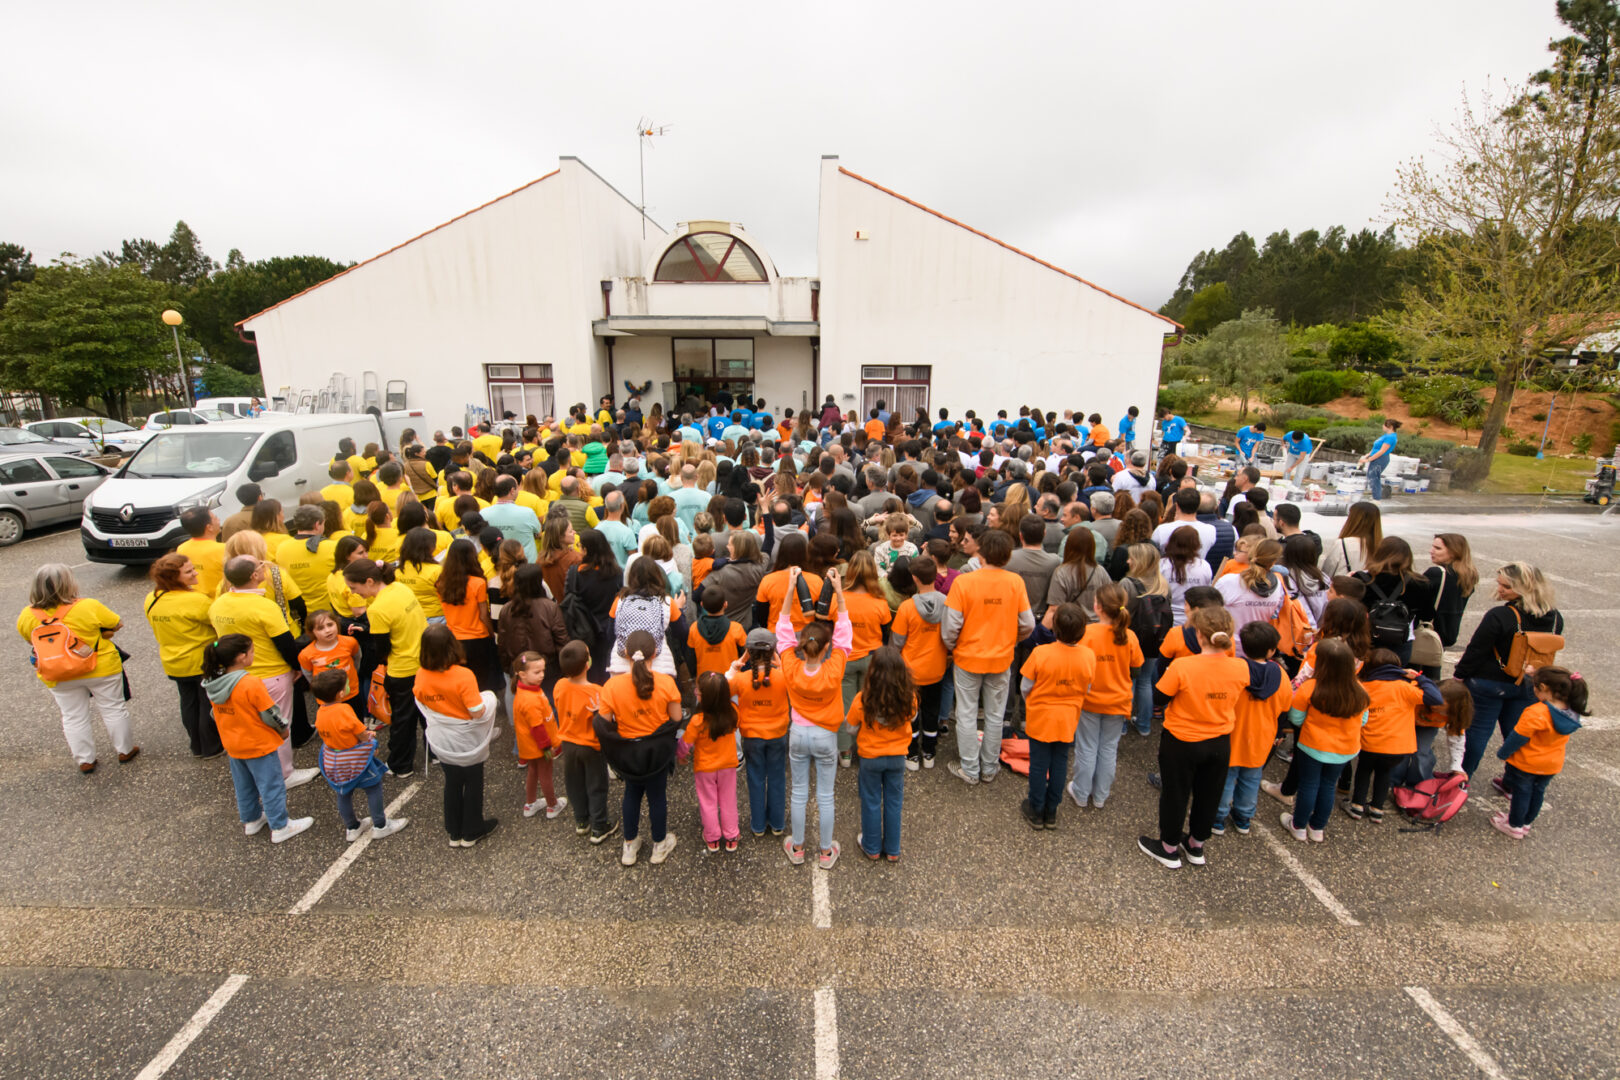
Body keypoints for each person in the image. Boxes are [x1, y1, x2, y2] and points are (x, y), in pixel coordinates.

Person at [1141, 606, 1248, 869]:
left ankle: (1168, 847)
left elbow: (1158, 697)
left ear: (1199, 634)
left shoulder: (1183, 666)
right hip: (1220, 740)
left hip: (1182, 740)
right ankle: (1196, 844)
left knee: (1175, 794)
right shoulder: (1241, 667)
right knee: (1209, 794)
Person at [210, 556, 318, 786]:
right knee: (280, 725)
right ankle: (285, 774)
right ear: (254, 576)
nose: (263, 565)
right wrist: (297, 668)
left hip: (237, 676)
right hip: (272, 674)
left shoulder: (218, 604)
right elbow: (285, 643)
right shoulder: (264, 606)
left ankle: (262, 774)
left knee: (254, 727)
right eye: (259, 565)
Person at [18, 564, 137, 773]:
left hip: (57, 671)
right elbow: (116, 623)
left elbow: (30, 640)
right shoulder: (87, 606)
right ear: (69, 583)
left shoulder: (26, 616)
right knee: (113, 708)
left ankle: (85, 760)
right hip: (100, 667)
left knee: (73, 716)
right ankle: (125, 750)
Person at [1455, 561, 1564, 777]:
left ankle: (1462, 777)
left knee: (1477, 733)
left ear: (1523, 589)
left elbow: (1476, 650)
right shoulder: (1555, 619)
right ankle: (1515, 781)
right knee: (1518, 734)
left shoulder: (1500, 615)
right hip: (1528, 683)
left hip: (1488, 684)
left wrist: (1459, 675)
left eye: (1505, 586)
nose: (1499, 590)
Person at [943, 530, 1035, 786]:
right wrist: (1012, 640)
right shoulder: (1015, 582)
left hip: (967, 657)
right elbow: (1027, 623)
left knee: (967, 713)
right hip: (1001, 658)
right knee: (995, 715)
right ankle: (989, 767)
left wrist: (953, 646)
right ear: (1007, 556)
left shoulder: (963, 582)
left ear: (980, 553)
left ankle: (970, 768)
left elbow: (951, 626)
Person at [202, 634, 313, 843]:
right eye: (252, 651)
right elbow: (269, 713)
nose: (254, 655)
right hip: (258, 743)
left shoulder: (213, 682)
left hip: (233, 742)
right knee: (271, 784)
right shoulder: (250, 683)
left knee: (243, 784)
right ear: (242, 657)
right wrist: (283, 729)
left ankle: (251, 819)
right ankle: (280, 825)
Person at [777, 566, 851, 868]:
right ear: (825, 648)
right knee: (825, 794)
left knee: (797, 791)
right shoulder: (835, 668)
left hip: (798, 733)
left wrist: (791, 587)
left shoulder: (790, 666)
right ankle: (824, 852)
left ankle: (797, 848)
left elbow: (782, 628)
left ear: (801, 646)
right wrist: (838, 592)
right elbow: (845, 633)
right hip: (825, 735)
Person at [596, 629, 684, 867]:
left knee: (631, 794)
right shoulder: (666, 683)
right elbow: (676, 719)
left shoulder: (611, 687)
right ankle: (659, 845)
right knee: (657, 796)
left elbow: (603, 722)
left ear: (624, 654)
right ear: (655, 653)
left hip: (627, 754)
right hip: (656, 754)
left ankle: (629, 845)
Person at [414, 624, 500, 847]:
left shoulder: (421, 674)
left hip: (441, 738)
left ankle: (454, 830)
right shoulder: (463, 675)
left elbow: (422, 701)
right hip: (466, 739)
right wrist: (489, 699)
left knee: (452, 781)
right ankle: (472, 830)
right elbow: (477, 711)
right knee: (473, 781)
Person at [1279, 638, 1370, 844]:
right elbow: (1363, 720)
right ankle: (1317, 827)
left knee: (1309, 785)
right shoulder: (1360, 690)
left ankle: (1298, 825)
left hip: (1312, 745)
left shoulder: (1311, 687)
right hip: (1345, 749)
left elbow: (1296, 718)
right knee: (1328, 786)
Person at [345, 558, 429, 778]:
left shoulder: (377, 609)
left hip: (402, 668)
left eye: (354, 588)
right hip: (424, 660)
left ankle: (401, 765)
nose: (354, 593)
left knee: (402, 720)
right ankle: (435, 753)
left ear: (370, 581)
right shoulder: (400, 588)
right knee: (428, 713)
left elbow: (381, 648)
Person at [1019, 602, 1094, 828]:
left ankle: (1035, 808)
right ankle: (1052, 810)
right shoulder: (1088, 655)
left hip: (1041, 715)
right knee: (1060, 762)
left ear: (1055, 628)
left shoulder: (1041, 652)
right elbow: (1087, 688)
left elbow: (1025, 687)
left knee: (1039, 765)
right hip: (1069, 715)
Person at [311, 667, 408, 842]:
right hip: (356, 759)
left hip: (335, 760)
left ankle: (352, 826)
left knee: (343, 793)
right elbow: (360, 732)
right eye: (347, 684)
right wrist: (369, 739)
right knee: (373, 788)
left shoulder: (320, 712)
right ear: (341, 693)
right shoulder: (344, 710)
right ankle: (380, 825)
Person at [1213, 623, 1292, 836]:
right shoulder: (1281, 675)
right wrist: (1279, 733)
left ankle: (1218, 818)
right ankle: (1243, 818)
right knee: (1251, 779)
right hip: (1262, 737)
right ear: (1271, 650)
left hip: (1231, 734)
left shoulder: (1232, 669)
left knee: (1226, 778)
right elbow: (1285, 708)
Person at [1069, 585, 1142, 812]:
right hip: (1118, 701)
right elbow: (1136, 668)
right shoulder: (1129, 636)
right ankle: (1100, 795)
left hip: (1090, 700)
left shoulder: (1087, 633)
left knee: (1087, 747)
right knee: (1109, 748)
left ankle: (1081, 792)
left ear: (1097, 607)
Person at [1492, 666, 1587, 839]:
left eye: (1535, 687)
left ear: (1543, 688)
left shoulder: (1536, 712)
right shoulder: (1572, 713)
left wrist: (1503, 753)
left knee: (1522, 793)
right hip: (1552, 763)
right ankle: (1526, 823)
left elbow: (1517, 737)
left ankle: (1514, 825)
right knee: (1538, 792)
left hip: (1527, 762)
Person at [1347, 648, 1441, 821]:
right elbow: (1436, 698)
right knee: (1384, 773)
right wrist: (1419, 677)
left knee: (1363, 770)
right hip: (1397, 746)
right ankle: (1377, 809)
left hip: (1368, 742)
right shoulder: (1405, 688)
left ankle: (1357, 806)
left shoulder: (1363, 686)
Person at [143, 553, 222, 758]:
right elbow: (216, 622)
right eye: (188, 571)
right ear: (173, 577)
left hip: (173, 661)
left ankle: (196, 745)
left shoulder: (152, 598)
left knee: (188, 703)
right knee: (207, 703)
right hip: (201, 660)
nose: (195, 573)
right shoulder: (195, 600)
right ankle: (211, 746)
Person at [847, 647, 916, 860]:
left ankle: (872, 847)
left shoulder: (863, 699)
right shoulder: (909, 697)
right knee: (894, 802)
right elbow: (912, 718)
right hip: (897, 756)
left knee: (871, 800)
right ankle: (893, 849)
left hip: (870, 756)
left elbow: (850, 728)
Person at [554, 641, 616, 843]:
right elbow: (607, 719)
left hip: (568, 744)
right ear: (588, 663)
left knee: (574, 783)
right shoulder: (598, 692)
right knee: (596, 785)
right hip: (591, 746)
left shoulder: (559, 685)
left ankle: (581, 820)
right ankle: (599, 825)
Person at [891, 556, 948, 769]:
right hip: (937, 668)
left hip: (910, 670)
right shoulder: (947, 603)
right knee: (932, 710)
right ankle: (929, 752)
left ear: (914, 578)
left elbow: (897, 641)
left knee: (910, 712)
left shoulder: (907, 607)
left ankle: (912, 753)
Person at [732, 627, 791, 837]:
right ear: (773, 651)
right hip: (778, 734)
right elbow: (795, 681)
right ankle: (777, 824)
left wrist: (737, 664)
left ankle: (757, 825)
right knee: (777, 777)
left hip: (751, 736)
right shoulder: (784, 677)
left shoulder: (740, 679)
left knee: (755, 778)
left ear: (748, 652)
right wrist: (782, 664)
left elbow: (722, 686)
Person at [838, 550, 894, 766]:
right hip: (872, 658)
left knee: (845, 705)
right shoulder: (880, 602)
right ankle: (865, 747)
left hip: (847, 658)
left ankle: (844, 752)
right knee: (869, 703)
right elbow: (885, 632)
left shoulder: (840, 599)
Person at [437, 539, 504, 712]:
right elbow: (483, 614)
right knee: (480, 682)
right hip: (478, 638)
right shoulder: (478, 583)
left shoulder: (441, 583)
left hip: (454, 638)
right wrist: (492, 633)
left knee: (461, 681)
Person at [683, 671, 742, 853]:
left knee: (708, 802)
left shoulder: (697, 721)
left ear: (705, 697)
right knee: (728, 800)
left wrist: (680, 755)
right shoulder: (733, 713)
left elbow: (685, 744)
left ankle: (712, 838)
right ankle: (731, 836)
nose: (695, 693)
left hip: (705, 767)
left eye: (698, 692)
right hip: (728, 765)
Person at [511, 652, 566, 820]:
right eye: (537, 672)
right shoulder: (530, 700)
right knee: (545, 775)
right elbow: (537, 728)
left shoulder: (526, 691)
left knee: (533, 771)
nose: (542, 675)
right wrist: (548, 747)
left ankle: (531, 803)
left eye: (543, 670)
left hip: (528, 746)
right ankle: (552, 805)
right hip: (540, 747)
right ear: (522, 674)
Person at [1416, 533, 1478, 680]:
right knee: (1431, 675)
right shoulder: (1467, 575)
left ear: (1454, 552)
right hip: (1445, 634)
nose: (1431, 551)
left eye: (1437, 548)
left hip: (1425, 631)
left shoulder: (1436, 573)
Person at [1214, 539, 1286, 655]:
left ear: (1251, 555)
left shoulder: (1229, 582)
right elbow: (1275, 614)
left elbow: (1209, 613)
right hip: (1257, 650)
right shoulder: (1278, 585)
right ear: (1273, 562)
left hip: (1227, 648)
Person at [298, 610, 362, 720]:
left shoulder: (350, 642)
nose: (327, 630)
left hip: (351, 693)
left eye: (330, 625)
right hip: (327, 699)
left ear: (336, 624)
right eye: (320, 628)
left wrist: (353, 674)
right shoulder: (306, 654)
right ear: (312, 632)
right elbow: (309, 675)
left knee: (356, 721)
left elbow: (357, 658)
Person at [688, 588, 746, 678]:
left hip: (705, 682)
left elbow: (691, 657)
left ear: (702, 605)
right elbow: (746, 655)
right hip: (731, 680)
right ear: (725, 604)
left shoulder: (694, 628)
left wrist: (694, 675)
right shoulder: (736, 628)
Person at [1318, 500, 1382, 579]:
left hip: (1343, 588)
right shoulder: (1381, 546)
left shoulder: (1342, 544)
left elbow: (1327, 574)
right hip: (1368, 589)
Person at [1357, 418, 1401, 500]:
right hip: (1376, 457)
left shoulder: (1391, 437)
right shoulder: (1386, 435)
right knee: (1372, 476)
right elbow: (1376, 447)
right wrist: (1368, 454)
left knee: (1374, 477)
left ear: (1390, 427)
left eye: (1384, 424)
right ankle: (1376, 495)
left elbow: (1382, 451)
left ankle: (1377, 498)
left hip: (1380, 459)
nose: (1383, 426)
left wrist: (1368, 460)